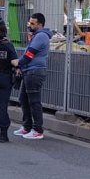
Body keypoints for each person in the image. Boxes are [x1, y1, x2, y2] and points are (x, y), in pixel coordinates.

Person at [13, 12, 52, 140]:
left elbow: (30, 55)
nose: (30, 25)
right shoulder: (37, 36)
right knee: (24, 99)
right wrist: (21, 67)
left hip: (34, 72)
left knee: (34, 102)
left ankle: (37, 130)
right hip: (30, 71)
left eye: (33, 23)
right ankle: (27, 127)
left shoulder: (40, 36)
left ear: (40, 24)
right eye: (30, 22)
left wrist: (18, 63)